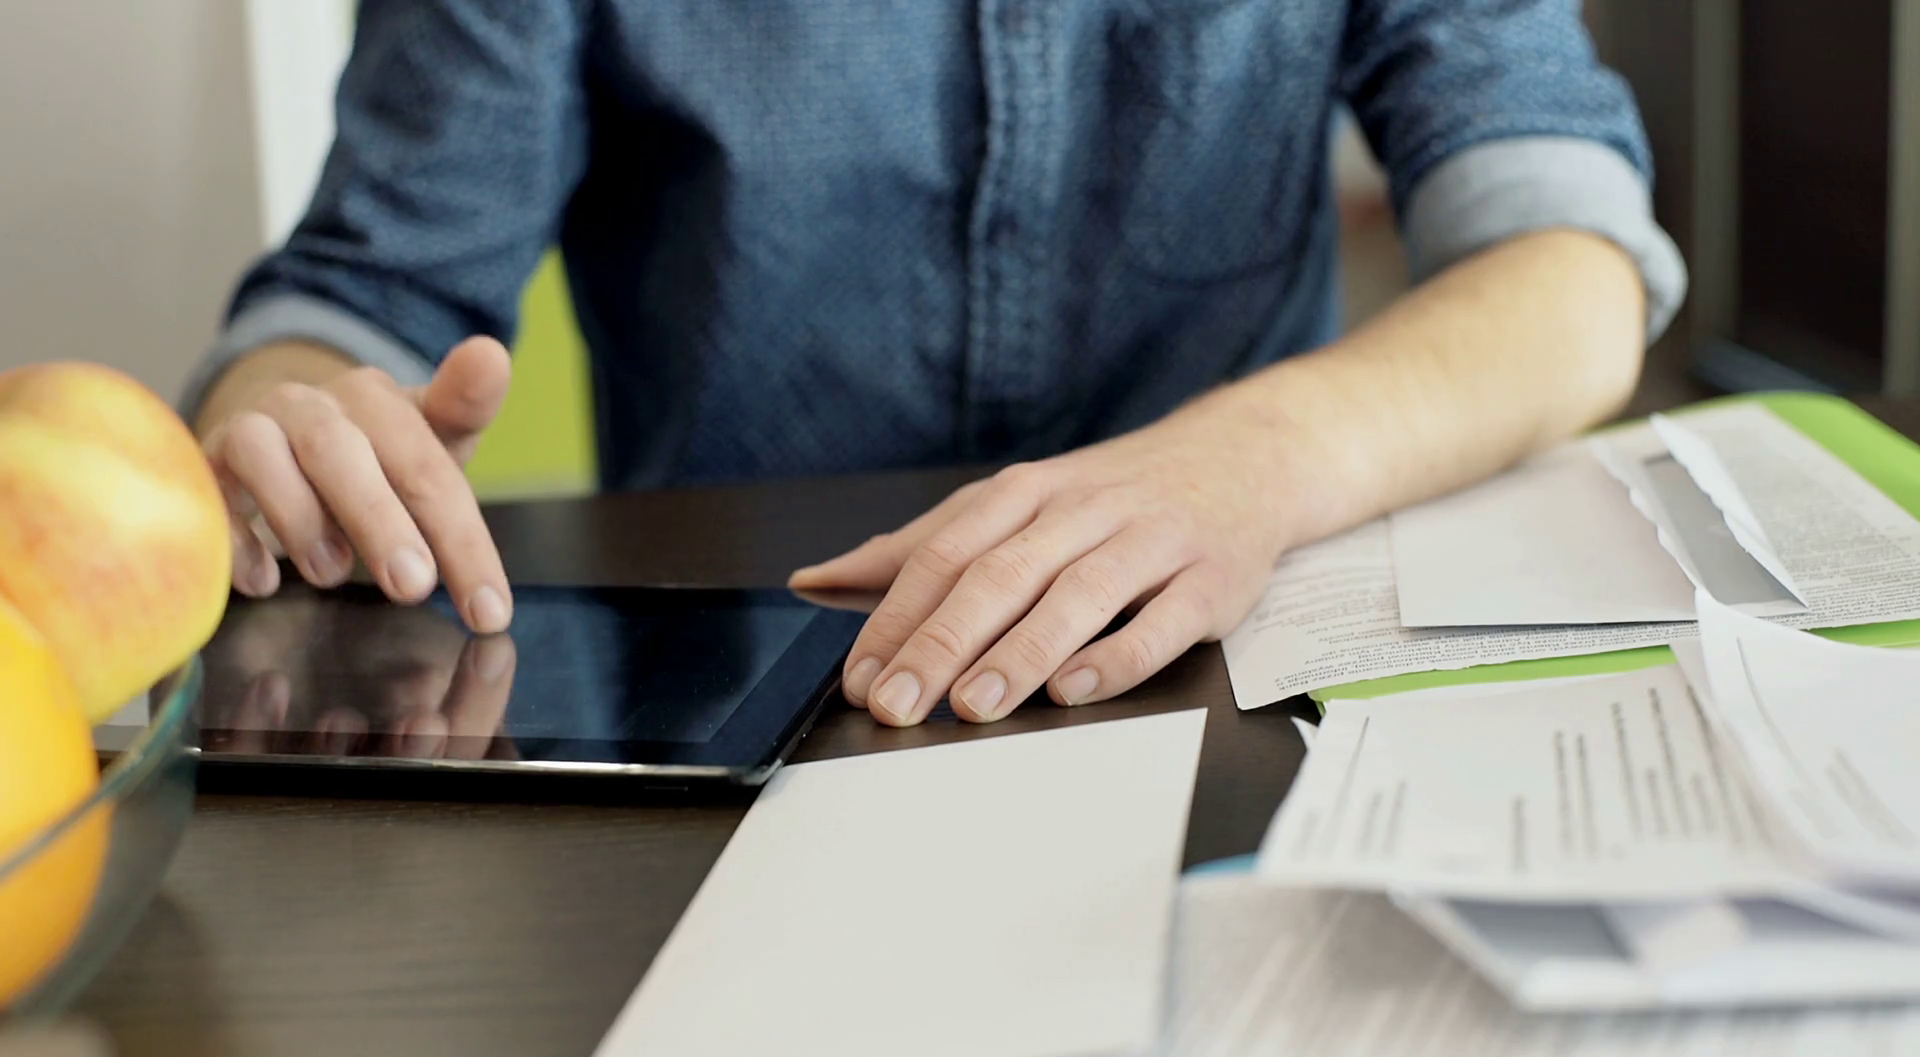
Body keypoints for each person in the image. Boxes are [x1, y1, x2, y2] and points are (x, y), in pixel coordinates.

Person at [186, 0, 1686, 729]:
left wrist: (1248, 461)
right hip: (746, 698)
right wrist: (293, 416)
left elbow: (1567, 264)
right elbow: (355, 297)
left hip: (1233, 658)